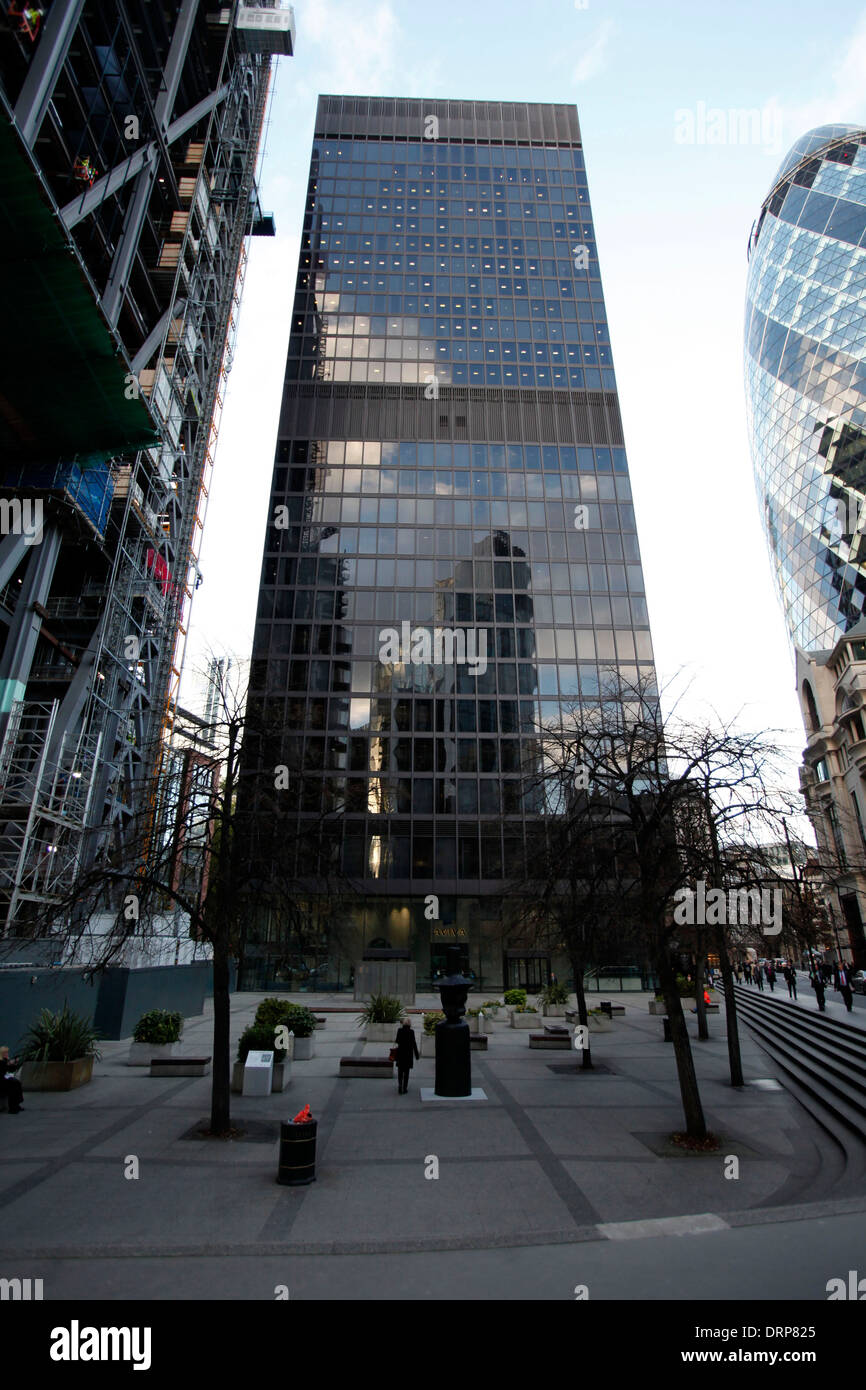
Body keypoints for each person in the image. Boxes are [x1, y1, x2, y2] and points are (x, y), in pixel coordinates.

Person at [393, 1017, 419, 1095]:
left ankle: (400, 1085)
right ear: (410, 1024)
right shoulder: (411, 1032)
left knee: (400, 1071)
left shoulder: (399, 1030)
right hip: (408, 1054)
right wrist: (416, 1054)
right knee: (406, 1072)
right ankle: (405, 1088)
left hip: (400, 1053)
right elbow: (414, 1043)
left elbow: (397, 1041)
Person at [0, 1045, 23, 1114]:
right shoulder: (1, 1061)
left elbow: (10, 1069)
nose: (7, 1054)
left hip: (3, 1079)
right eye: (5, 1053)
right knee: (13, 1085)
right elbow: (4, 1070)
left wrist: (14, 1063)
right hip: (1, 1081)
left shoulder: (5, 1060)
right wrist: (9, 1064)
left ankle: (16, 1104)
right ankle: (13, 1107)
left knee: (16, 1083)